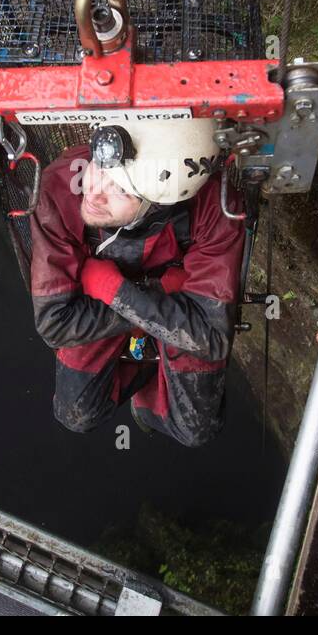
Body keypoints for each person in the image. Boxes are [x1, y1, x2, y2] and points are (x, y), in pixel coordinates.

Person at [27, 118, 244, 447]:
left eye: (123, 189)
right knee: (75, 415)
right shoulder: (59, 189)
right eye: (101, 167)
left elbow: (212, 337)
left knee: (196, 430)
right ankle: (141, 371)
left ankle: (146, 406)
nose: (96, 192)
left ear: (159, 203)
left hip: (138, 308)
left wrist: (115, 291)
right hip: (168, 306)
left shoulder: (215, 206)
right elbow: (55, 324)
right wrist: (159, 294)